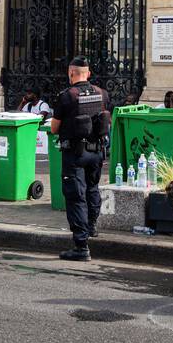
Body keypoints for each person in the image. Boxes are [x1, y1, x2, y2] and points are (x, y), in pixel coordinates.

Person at [50, 56, 111, 261]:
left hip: (75, 154)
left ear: (71, 73)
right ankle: (92, 227)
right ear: (89, 73)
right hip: (96, 153)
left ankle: (81, 246)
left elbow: (54, 127)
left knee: (75, 196)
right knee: (92, 189)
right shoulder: (102, 94)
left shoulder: (67, 96)